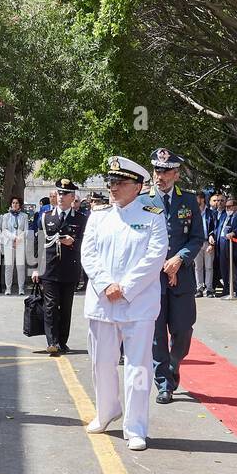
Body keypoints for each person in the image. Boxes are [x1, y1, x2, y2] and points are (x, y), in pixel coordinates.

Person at [81, 156, 167, 451]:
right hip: (102, 302)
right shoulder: (99, 215)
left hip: (138, 304)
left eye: (120, 183)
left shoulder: (153, 215)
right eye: (111, 182)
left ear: (138, 186)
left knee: (138, 368)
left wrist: (126, 288)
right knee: (101, 363)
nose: (113, 188)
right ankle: (106, 411)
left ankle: (136, 426)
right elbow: (88, 254)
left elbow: (155, 257)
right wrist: (106, 285)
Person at [146, 149, 205, 400]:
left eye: (166, 171)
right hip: (153, 278)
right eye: (157, 171)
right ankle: (163, 384)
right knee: (157, 333)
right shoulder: (142, 201)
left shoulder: (189, 201)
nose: (161, 176)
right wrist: (161, 263)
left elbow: (197, 237)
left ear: (176, 174)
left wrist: (179, 259)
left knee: (182, 329)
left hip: (182, 277)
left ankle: (173, 364)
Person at [33, 177, 85, 355]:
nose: (62, 197)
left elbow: (87, 243)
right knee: (51, 305)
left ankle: (63, 341)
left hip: (70, 269)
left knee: (66, 307)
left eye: (66, 194)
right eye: (60, 193)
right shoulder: (46, 217)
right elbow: (38, 243)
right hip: (49, 269)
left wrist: (73, 242)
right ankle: (52, 341)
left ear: (73, 197)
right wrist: (35, 268)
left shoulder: (80, 218)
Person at [0, 196, 30, 296]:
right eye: (13, 203)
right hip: (9, 243)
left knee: (20, 267)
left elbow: (26, 230)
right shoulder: (6, 216)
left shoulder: (24, 216)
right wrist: (13, 237)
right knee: (9, 266)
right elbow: (4, 229)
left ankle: (21, 288)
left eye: (17, 203)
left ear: (19, 205)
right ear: (11, 204)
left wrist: (18, 238)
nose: (15, 204)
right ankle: (8, 288)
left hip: (20, 244)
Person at [214, 196, 237, 296]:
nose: (227, 209)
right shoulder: (223, 215)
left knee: (234, 267)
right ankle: (226, 288)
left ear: (236, 207)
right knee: (224, 267)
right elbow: (218, 227)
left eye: (230, 206)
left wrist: (234, 233)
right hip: (222, 242)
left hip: (233, 243)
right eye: (226, 207)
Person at [192, 191, 215, 296]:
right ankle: (199, 288)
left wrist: (212, 242)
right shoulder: (193, 212)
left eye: (196, 198)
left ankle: (209, 288)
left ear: (202, 199)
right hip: (196, 242)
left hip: (207, 242)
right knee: (198, 267)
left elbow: (215, 228)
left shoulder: (211, 213)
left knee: (209, 266)